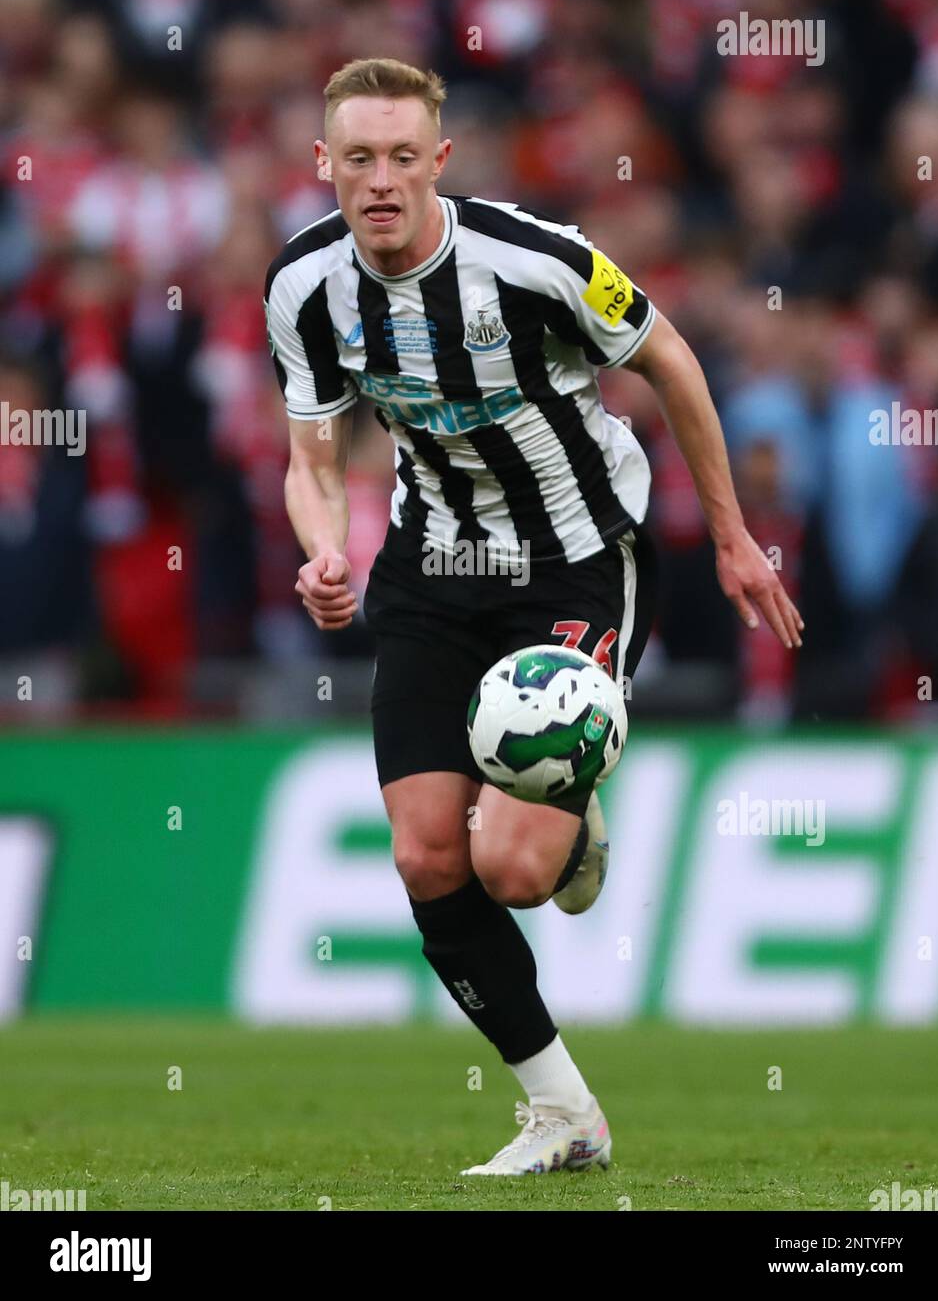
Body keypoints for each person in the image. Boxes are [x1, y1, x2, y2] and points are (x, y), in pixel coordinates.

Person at [264, 57, 803, 1176]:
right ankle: (563, 1112)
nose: (379, 180)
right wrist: (323, 547)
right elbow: (309, 458)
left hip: (572, 562)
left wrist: (730, 533)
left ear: (438, 163)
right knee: (424, 859)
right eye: (356, 158)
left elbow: (669, 358)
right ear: (323, 164)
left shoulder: (535, 260)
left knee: (509, 871)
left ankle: (565, 817)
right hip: (429, 566)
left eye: (401, 157)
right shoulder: (302, 287)